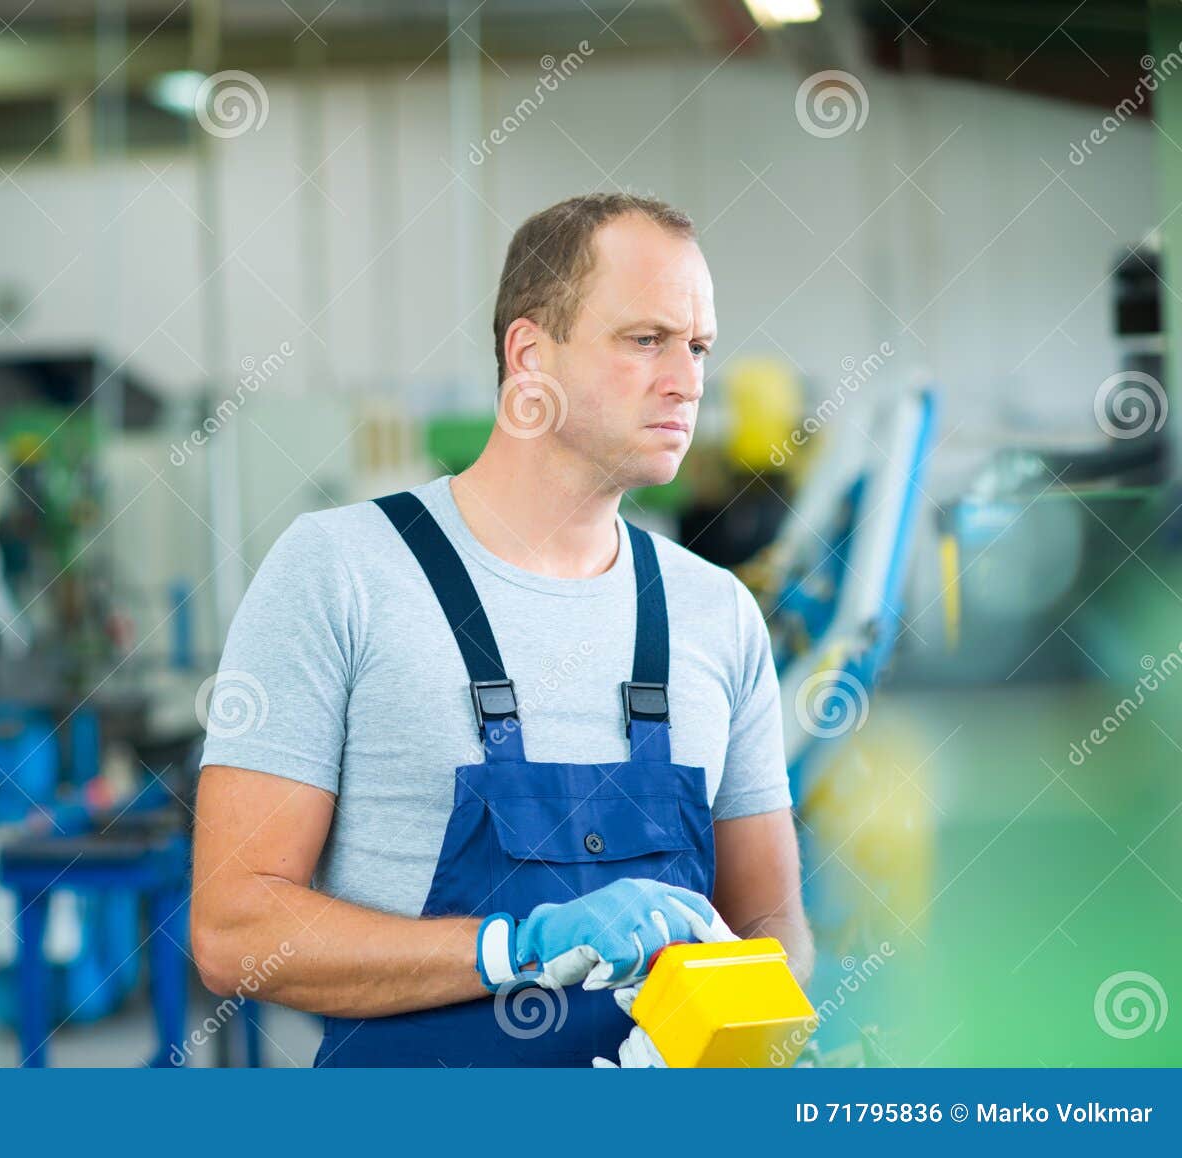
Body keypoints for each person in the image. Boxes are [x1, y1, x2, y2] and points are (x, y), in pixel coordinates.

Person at [191, 193, 814, 1067]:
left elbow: (771, 919)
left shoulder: (716, 614)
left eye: (698, 346)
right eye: (645, 341)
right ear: (530, 354)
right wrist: (513, 949)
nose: (688, 380)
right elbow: (234, 930)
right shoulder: (341, 572)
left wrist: (726, 1036)